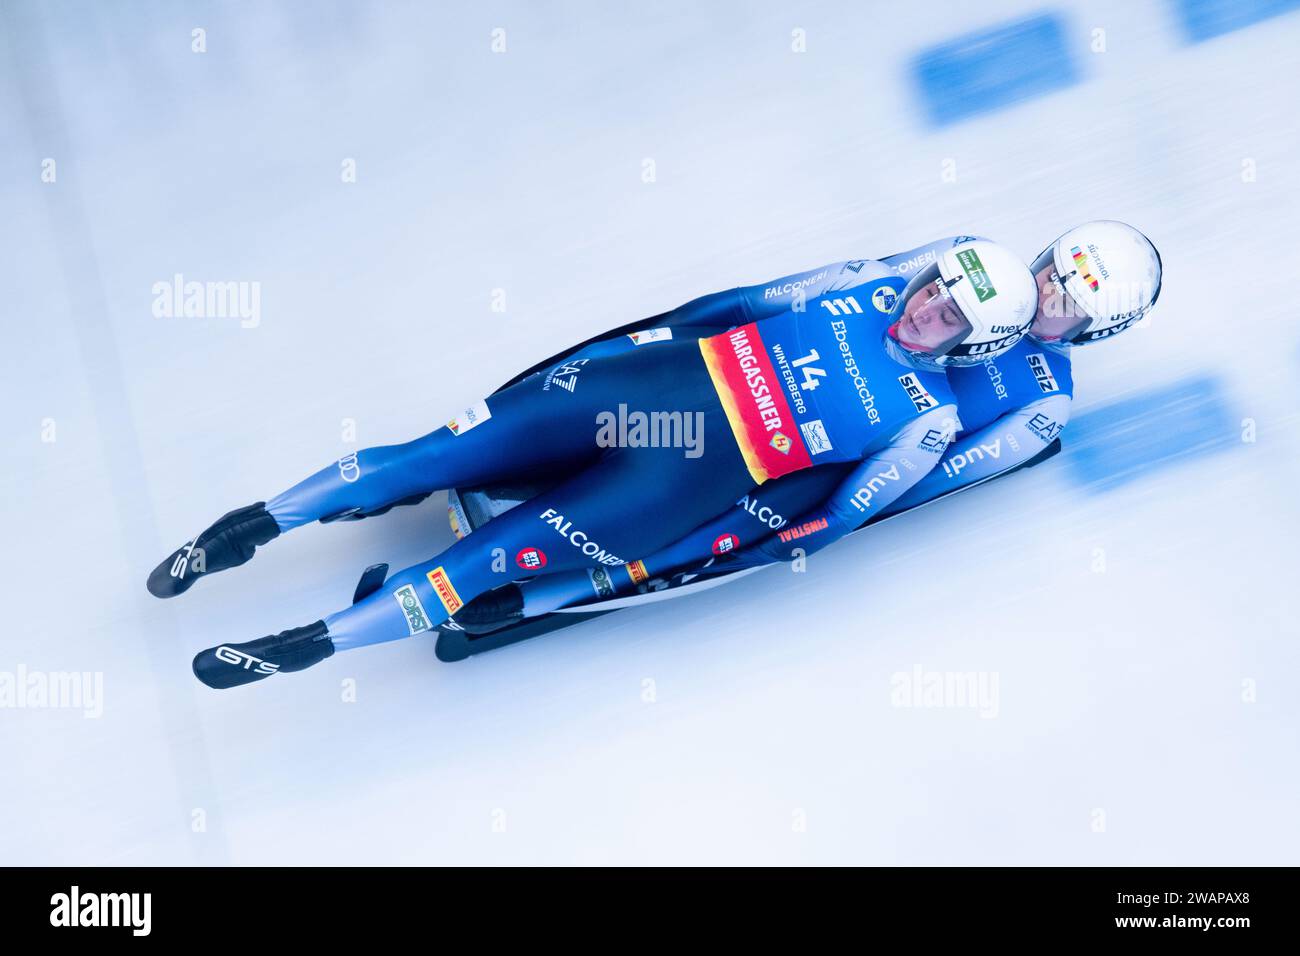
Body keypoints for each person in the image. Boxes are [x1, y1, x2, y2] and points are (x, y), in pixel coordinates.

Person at [149, 240, 1038, 688]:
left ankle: (300, 649)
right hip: (645, 388)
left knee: (475, 566)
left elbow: (839, 515)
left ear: (973, 343)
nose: (926, 310)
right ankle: (249, 526)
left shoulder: (925, 423)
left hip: (675, 483)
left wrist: (725, 549)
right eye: (934, 289)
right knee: (435, 453)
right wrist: (623, 343)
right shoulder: (865, 282)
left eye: (950, 316)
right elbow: (728, 304)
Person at [457, 221, 1162, 623]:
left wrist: (839, 503)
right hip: (784, 382)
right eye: (1051, 275)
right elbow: (866, 283)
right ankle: (510, 457)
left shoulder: (1046, 402)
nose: (1047, 296)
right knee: (650, 413)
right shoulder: (977, 260)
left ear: (1096, 330)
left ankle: (548, 587)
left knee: (715, 521)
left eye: (1069, 303)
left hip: (830, 459)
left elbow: (931, 478)